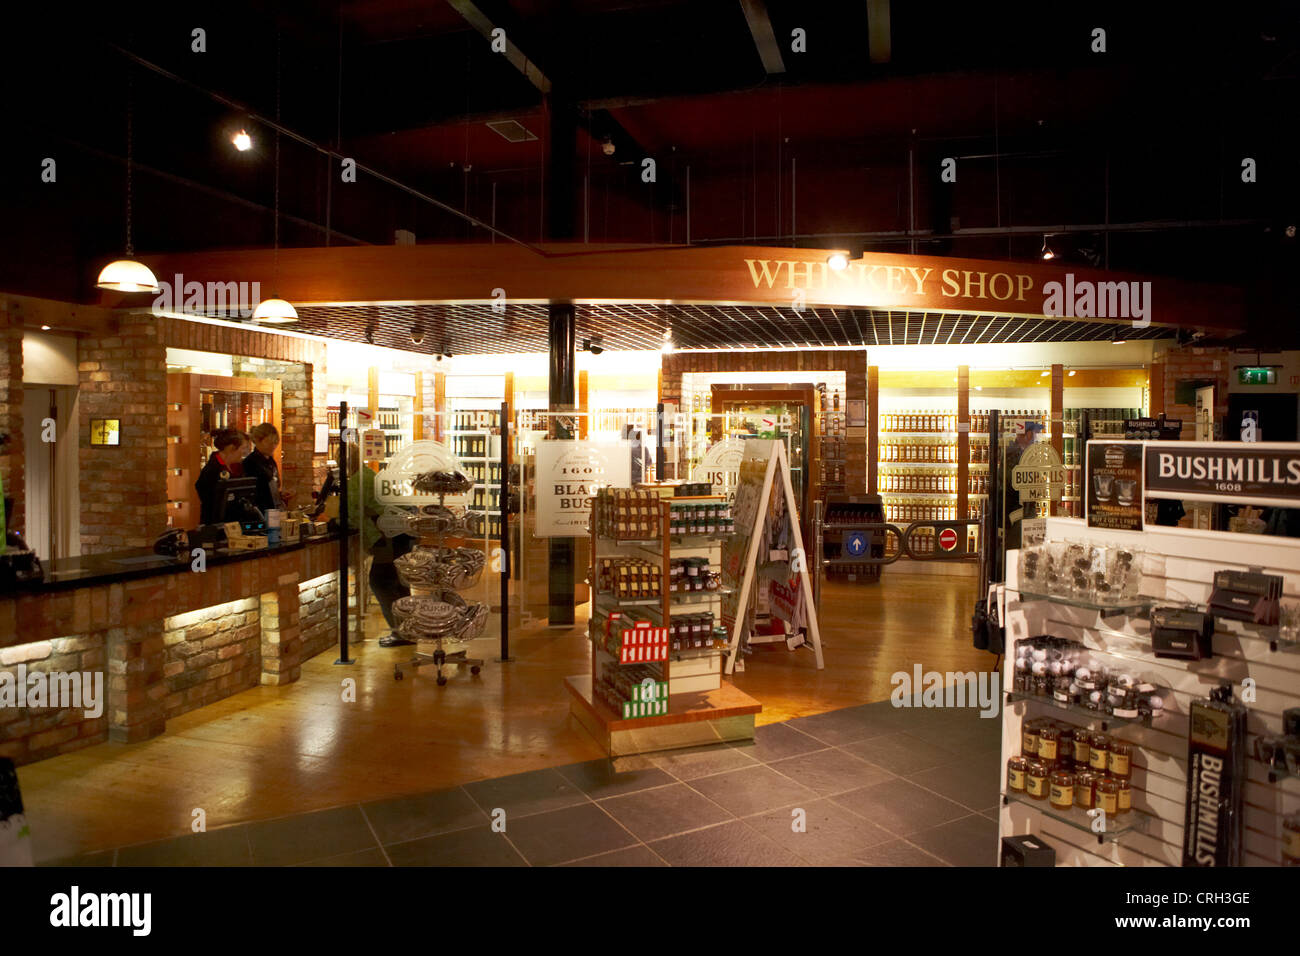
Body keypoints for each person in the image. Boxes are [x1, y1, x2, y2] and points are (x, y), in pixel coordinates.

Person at [346, 454, 415, 646]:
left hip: (387, 536)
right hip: (402, 531)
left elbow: (353, 515)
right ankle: (409, 630)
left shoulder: (355, 483)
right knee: (400, 583)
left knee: (381, 581)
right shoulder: (370, 474)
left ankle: (400, 632)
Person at [195, 428, 247, 525]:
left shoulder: (239, 468)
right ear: (231, 448)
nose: (244, 452)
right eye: (242, 448)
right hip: (215, 526)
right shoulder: (211, 470)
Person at [241, 423, 294, 514]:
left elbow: (271, 488)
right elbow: (252, 494)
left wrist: (280, 495)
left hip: (274, 512)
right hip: (261, 513)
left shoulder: (271, 461)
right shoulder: (250, 463)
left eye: (275, 443)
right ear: (257, 441)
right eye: (268, 442)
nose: (272, 446)